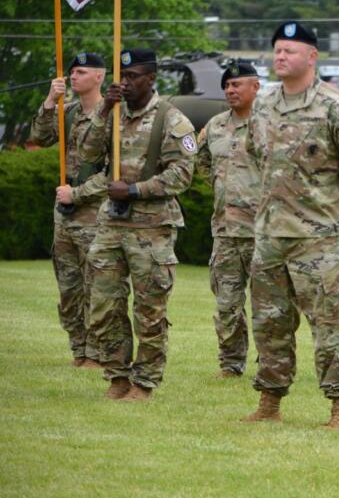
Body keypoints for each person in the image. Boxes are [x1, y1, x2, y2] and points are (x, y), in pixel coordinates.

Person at [240, 22, 339, 428]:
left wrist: (332, 204)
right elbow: (255, 153)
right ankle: (269, 402)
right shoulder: (263, 103)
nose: (281, 57)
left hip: (319, 239)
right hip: (270, 235)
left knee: (328, 325)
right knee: (269, 323)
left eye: (290, 51)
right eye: (277, 50)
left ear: (312, 57)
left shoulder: (337, 106)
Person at [75, 48, 197, 401]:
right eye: (122, 77)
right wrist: (103, 109)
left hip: (151, 228)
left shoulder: (171, 120)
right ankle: (117, 376)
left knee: (149, 309)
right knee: (104, 304)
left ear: (151, 79)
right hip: (112, 225)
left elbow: (181, 175)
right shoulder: (113, 114)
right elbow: (86, 153)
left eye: (133, 77)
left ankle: (144, 382)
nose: (125, 83)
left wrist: (133, 189)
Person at [30, 52, 107, 368]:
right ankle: (79, 349)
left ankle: (97, 352)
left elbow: (118, 170)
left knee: (98, 288)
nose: (73, 77)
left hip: (96, 213)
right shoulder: (69, 113)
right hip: (65, 215)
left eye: (81, 72)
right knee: (69, 288)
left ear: (99, 77)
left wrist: (77, 193)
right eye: (72, 72)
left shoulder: (111, 115)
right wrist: (50, 101)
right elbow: (40, 137)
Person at [196, 61, 261, 379]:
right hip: (225, 231)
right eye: (227, 85)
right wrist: (222, 185)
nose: (231, 90)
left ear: (256, 87)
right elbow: (201, 159)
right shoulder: (216, 125)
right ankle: (231, 364)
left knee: (268, 305)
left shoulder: (270, 126)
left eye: (237, 84)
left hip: (263, 231)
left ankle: (273, 363)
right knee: (226, 302)